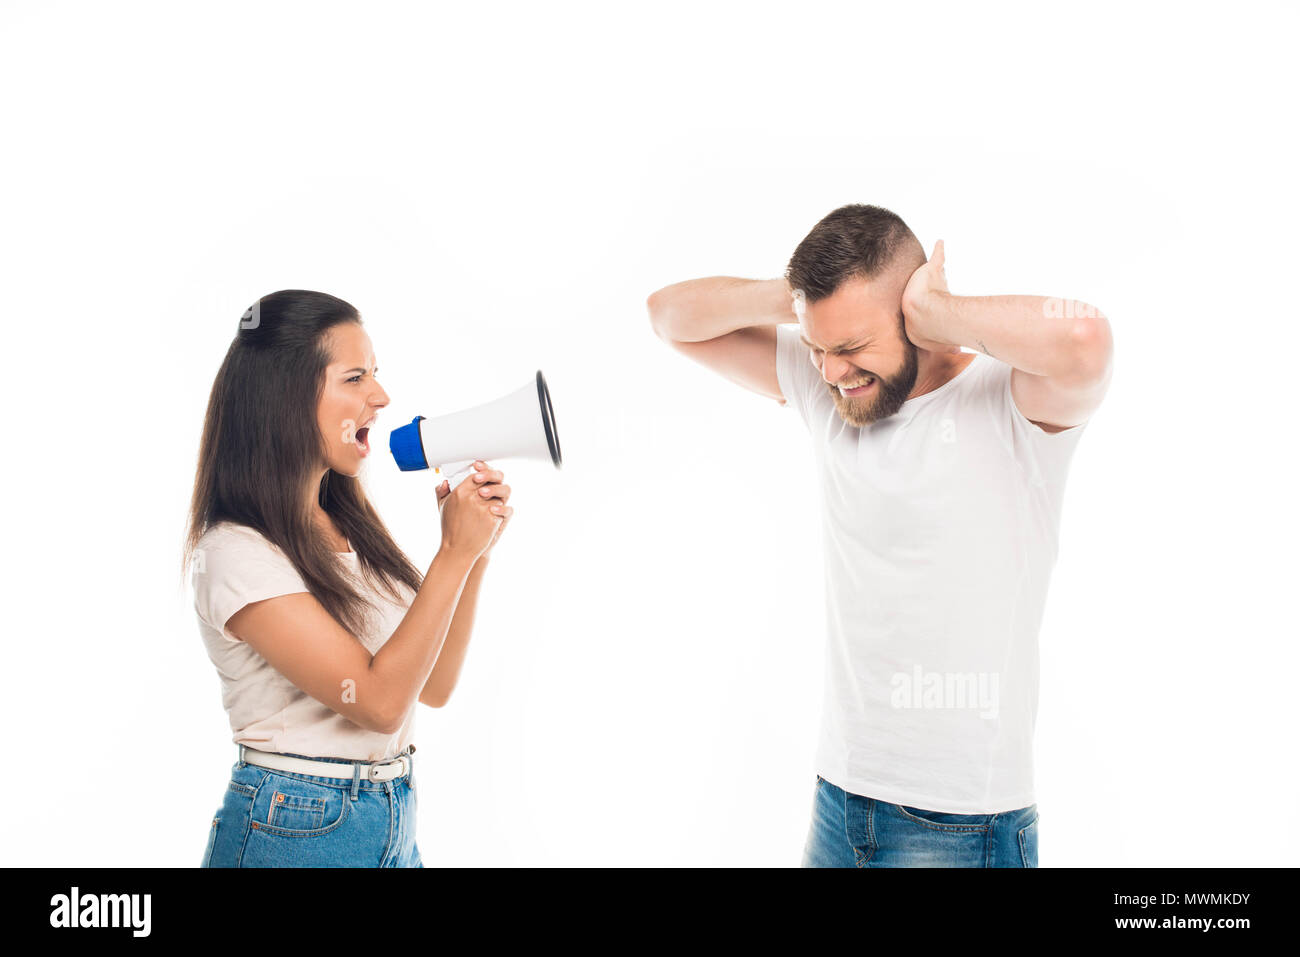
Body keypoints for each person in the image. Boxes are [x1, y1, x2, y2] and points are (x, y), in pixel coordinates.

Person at [646, 204, 1113, 867]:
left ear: (909, 316)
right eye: (817, 348)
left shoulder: (1011, 407)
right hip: (838, 802)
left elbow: (1087, 339)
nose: (832, 371)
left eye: (851, 347)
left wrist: (942, 311)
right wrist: (798, 297)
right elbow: (668, 316)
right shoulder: (829, 392)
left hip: (957, 829)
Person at [183, 289, 513, 867]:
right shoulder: (235, 552)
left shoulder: (348, 529)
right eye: (355, 378)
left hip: (391, 816)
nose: (381, 397)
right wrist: (452, 557)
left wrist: (474, 552)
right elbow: (380, 704)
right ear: (284, 395)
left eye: (375, 376)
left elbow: (431, 686)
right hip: (294, 827)